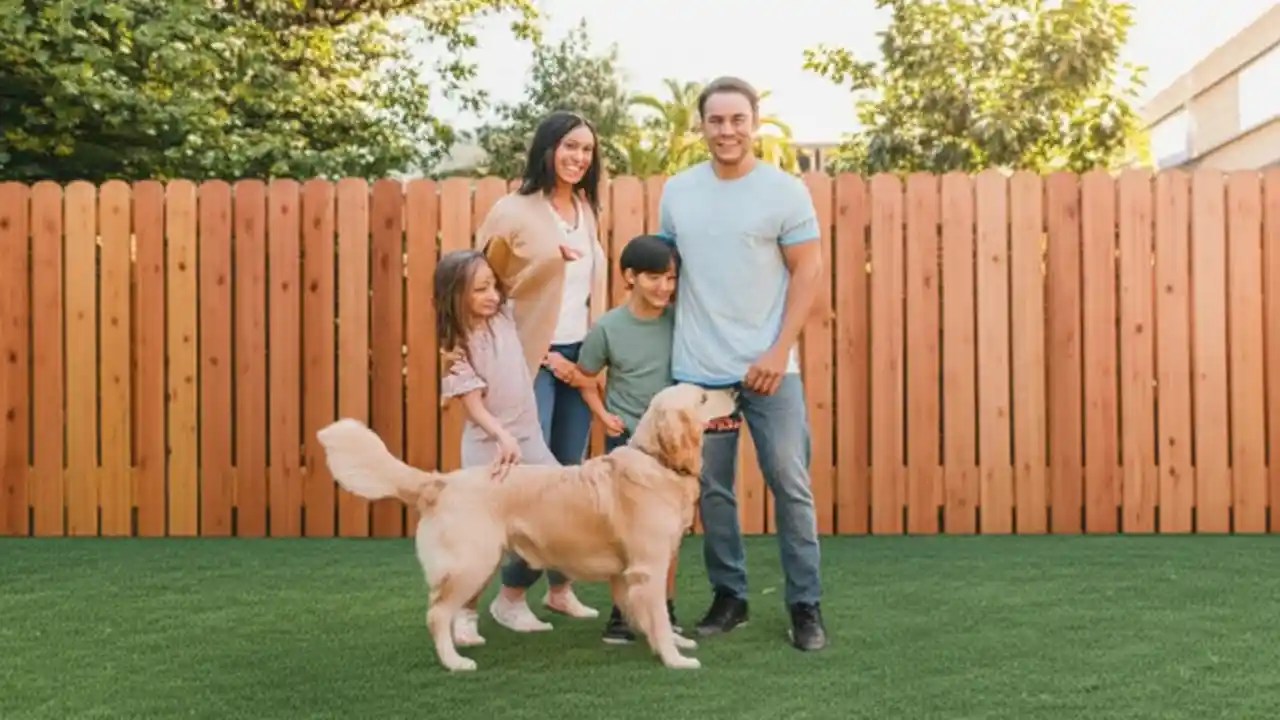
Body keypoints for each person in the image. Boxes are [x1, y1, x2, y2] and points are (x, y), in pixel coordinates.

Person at [656, 76, 828, 651]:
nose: (726, 130)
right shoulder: (678, 192)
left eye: (737, 120)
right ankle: (730, 598)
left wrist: (778, 351)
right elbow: (664, 271)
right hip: (700, 372)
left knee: (790, 484)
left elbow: (808, 271)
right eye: (716, 120)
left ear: (754, 123)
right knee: (713, 492)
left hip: (771, 370)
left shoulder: (784, 192)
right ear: (701, 126)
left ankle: (805, 606)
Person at [475, 110, 609, 630]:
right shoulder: (511, 210)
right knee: (535, 485)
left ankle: (559, 589)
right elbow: (482, 286)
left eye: (587, 150)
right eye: (569, 146)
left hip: (579, 360)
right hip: (530, 360)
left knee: (570, 476)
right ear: (547, 149)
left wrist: (586, 358)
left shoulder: (586, 210)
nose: (578, 157)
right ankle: (505, 597)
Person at [433, 248, 558, 648]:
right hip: (491, 451)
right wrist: (502, 435)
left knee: (552, 523)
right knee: (486, 542)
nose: (491, 295)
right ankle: (465, 612)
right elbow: (473, 406)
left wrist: (555, 255)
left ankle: (512, 600)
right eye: (479, 290)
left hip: (529, 441)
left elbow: (514, 260)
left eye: (492, 286)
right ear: (456, 296)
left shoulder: (503, 315)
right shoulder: (457, 346)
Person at [567, 234, 684, 644]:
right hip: (627, 446)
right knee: (624, 534)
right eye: (655, 278)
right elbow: (584, 378)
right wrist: (603, 416)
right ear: (630, 276)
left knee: (667, 536)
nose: (664, 288)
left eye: (671, 278)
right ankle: (622, 615)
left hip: (669, 450)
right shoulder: (608, 328)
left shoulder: (680, 322)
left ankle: (665, 610)